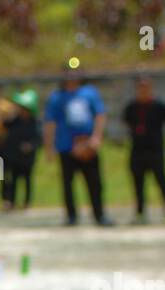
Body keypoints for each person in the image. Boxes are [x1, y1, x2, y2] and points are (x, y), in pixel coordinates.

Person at [43, 60, 113, 227]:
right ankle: (71, 216)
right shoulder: (57, 97)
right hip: (66, 146)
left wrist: (96, 137)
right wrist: (49, 147)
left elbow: (100, 115)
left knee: (95, 183)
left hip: (88, 144)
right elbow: (50, 123)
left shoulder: (89, 93)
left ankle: (99, 214)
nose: (72, 76)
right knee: (68, 183)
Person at [122, 74, 165, 224]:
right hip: (137, 151)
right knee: (138, 183)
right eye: (140, 87)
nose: (143, 90)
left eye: (146, 87)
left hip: (155, 151)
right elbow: (126, 125)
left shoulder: (159, 106)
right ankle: (140, 213)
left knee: (161, 181)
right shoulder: (131, 107)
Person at [2, 88, 41, 211]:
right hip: (14, 156)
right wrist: (13, 111)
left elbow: (38, 139)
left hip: (28, 158)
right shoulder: (15, 120)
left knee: (27, 180)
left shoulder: (34, 122)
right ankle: (11, 201)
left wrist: (30, 146)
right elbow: (4, 124)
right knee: (12, 180)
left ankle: (26, 202)